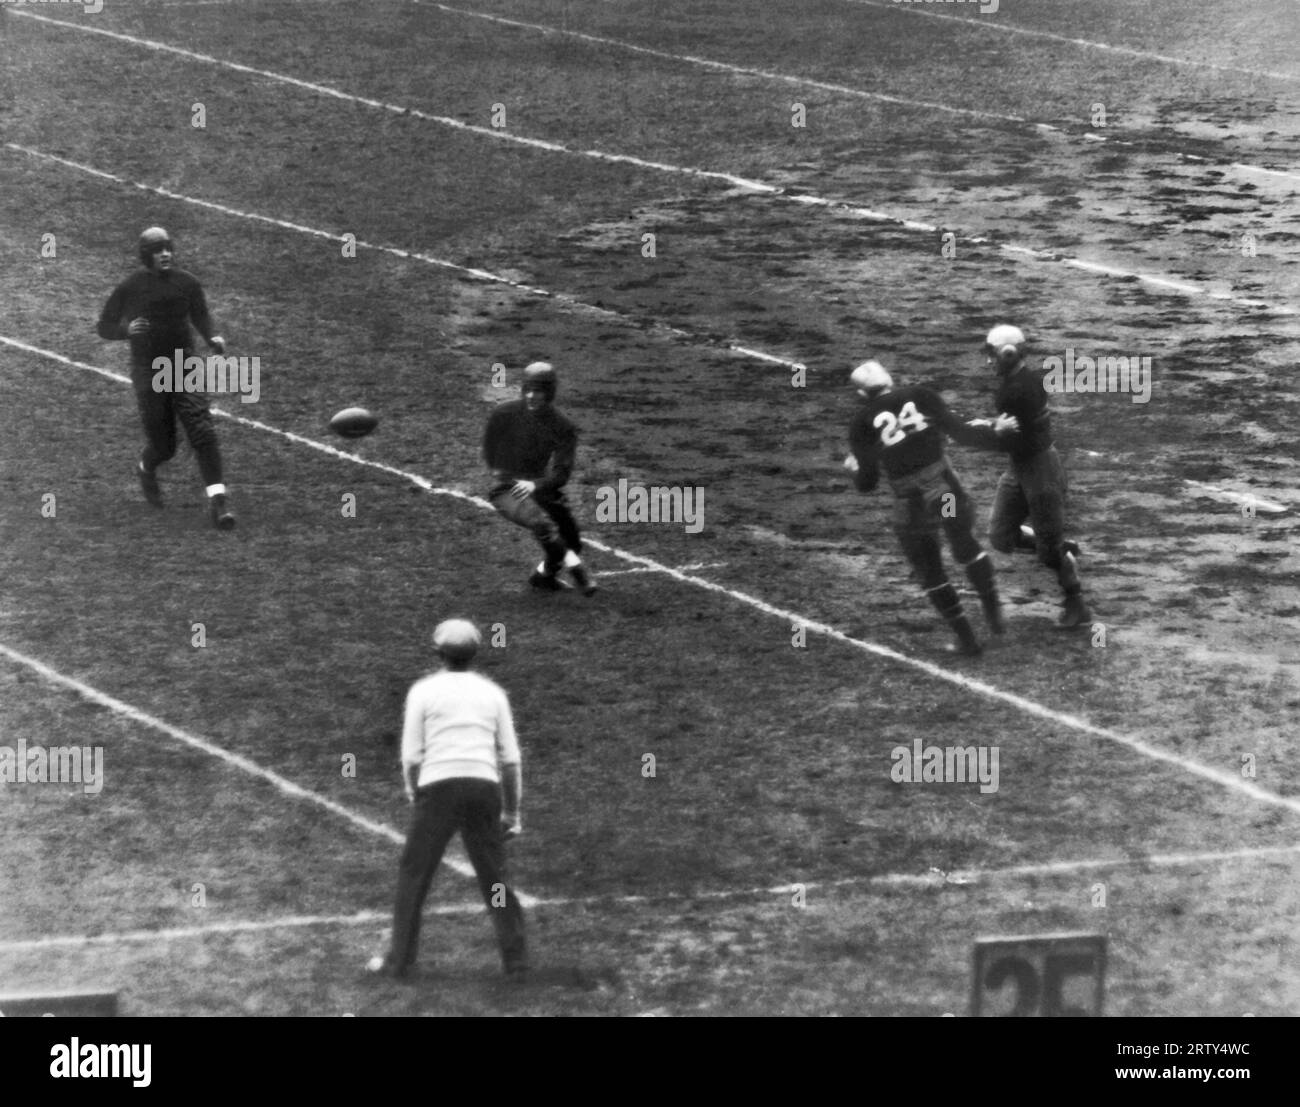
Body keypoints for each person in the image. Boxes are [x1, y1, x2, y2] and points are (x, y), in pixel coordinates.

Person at [369, 619, 528, 979]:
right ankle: (516, 960)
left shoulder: (423, 691)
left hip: (438, 790)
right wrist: (513, 812)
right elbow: (510, 759)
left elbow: (411, 756)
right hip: (482, 789)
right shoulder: (493, 694)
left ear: (438, 653)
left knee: (415, 874)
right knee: (495, 878)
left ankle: (399, 961)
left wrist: (414, 791)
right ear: (475, 654)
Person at [845, 360, 1015, 655]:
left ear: (862, 394)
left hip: (912, 506)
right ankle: (993, 613)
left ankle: (967, 639)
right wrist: (995, 432)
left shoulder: (861, 423)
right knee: (964, 545)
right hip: (945, 495)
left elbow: (867, 483)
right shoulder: (921, 395)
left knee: (931, 570)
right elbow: (961, 432)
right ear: (889, 380)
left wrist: (853, 469)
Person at [96, 226, 235, 529]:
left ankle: (219, 503)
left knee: (202, 429)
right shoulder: (130, 287)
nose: (166, 254)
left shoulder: (188, 283)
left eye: (168, 248)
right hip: (148, 370)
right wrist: (125, 331)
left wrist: (213, 337)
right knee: (165, 446)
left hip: (183, 365)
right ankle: (146, 467)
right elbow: (104, 326)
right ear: (147, 256)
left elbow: (200, 314)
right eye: (158, 250)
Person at [978, 325, 1091, 628]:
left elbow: (1009, 440)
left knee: (1049, 555)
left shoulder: (1013, 392)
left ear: (1008, 353)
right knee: (1000, 536)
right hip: (1022, 467)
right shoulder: (1024, 380)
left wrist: (983, 430)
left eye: (993, 355)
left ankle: (1075, 602)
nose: (990, 362)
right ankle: (1056, 544)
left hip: (1040, 471)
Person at [483, 361, 595, 595]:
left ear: (550, 392)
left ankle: (543, 577)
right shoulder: (504, 414)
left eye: (539, 391)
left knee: (571, 541)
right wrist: (508, 476)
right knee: (541, 524)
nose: (532, 395)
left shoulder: (563, 426)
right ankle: (577, 570)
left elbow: (561, 473)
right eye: (529, 389)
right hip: (505, 488)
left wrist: (535, 484)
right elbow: (490, 453)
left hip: (538, 486)